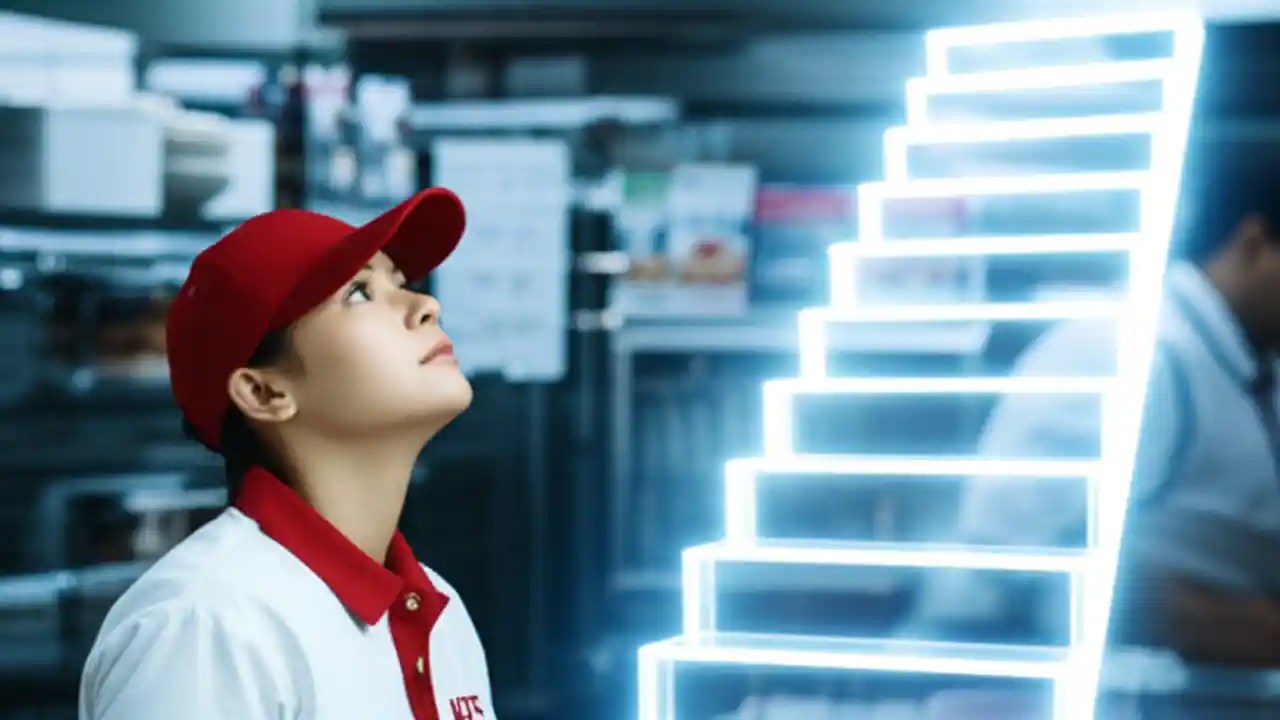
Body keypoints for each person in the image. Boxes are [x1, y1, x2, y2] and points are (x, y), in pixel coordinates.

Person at [78, 188, 496, 719]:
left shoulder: (437, 609)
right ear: (265, 393)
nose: (425, 305)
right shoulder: (208, 627)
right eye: (360, 293)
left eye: (401, 283)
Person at [910, 157, 1280, 665]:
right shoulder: (1122, 351)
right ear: (1254, 244)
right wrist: (1233, 627)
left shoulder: (1246, 364)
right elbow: (1007, 558)